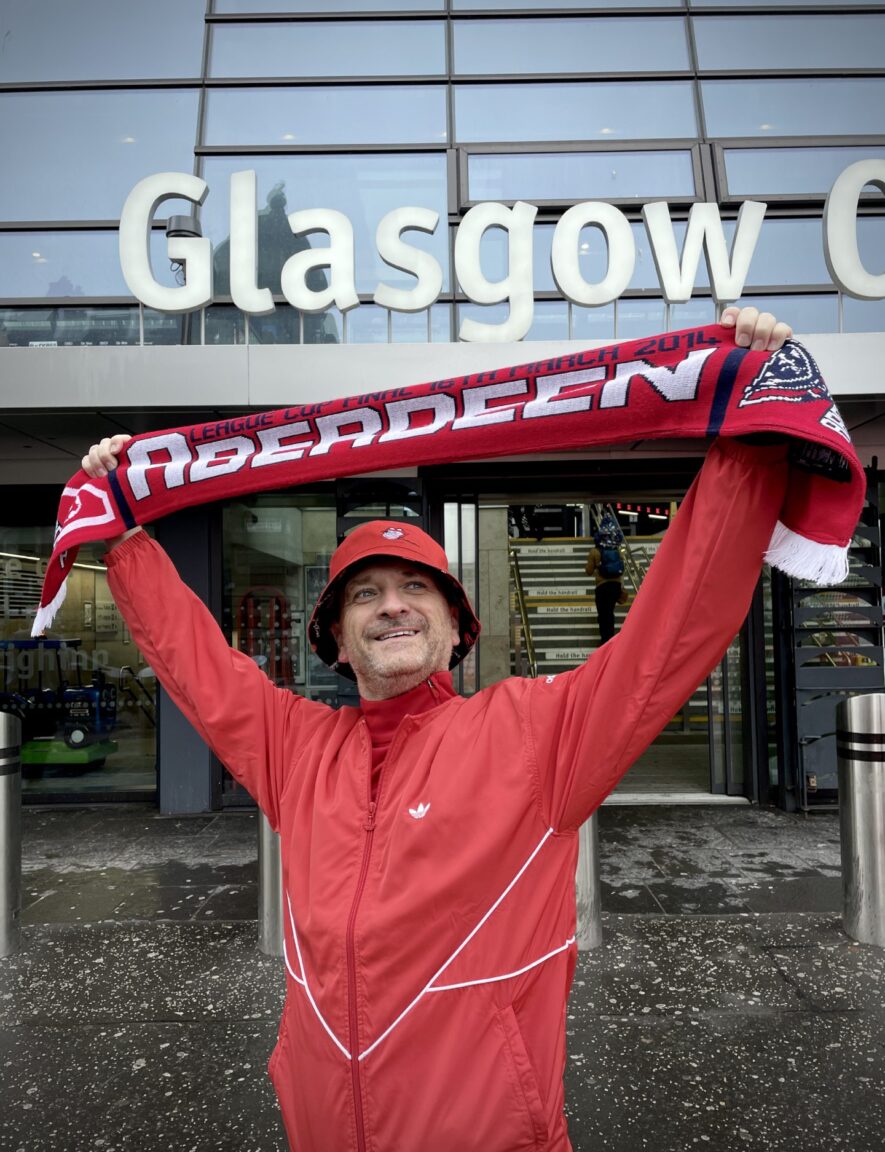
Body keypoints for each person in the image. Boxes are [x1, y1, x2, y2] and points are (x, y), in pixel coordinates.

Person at [84, 307, 793, 1152]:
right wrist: (120, 535)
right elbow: (197, 665)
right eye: (363, 594)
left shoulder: (537, 735)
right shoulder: (294, 750)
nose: (390, 605)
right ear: (338, 643)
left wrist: (752, 434)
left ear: (457, 629)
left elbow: (671, 631)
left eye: (416, 589)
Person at [585, 512, 629, 644]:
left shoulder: (595, 551)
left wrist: (594, 565)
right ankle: (610, 641)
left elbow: (588, 571)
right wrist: (621, 586)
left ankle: (605, 641)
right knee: (609, 613)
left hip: (602, 586)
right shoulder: (618, 550)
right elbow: (621, 569)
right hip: (615, 586)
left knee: (603, 615)